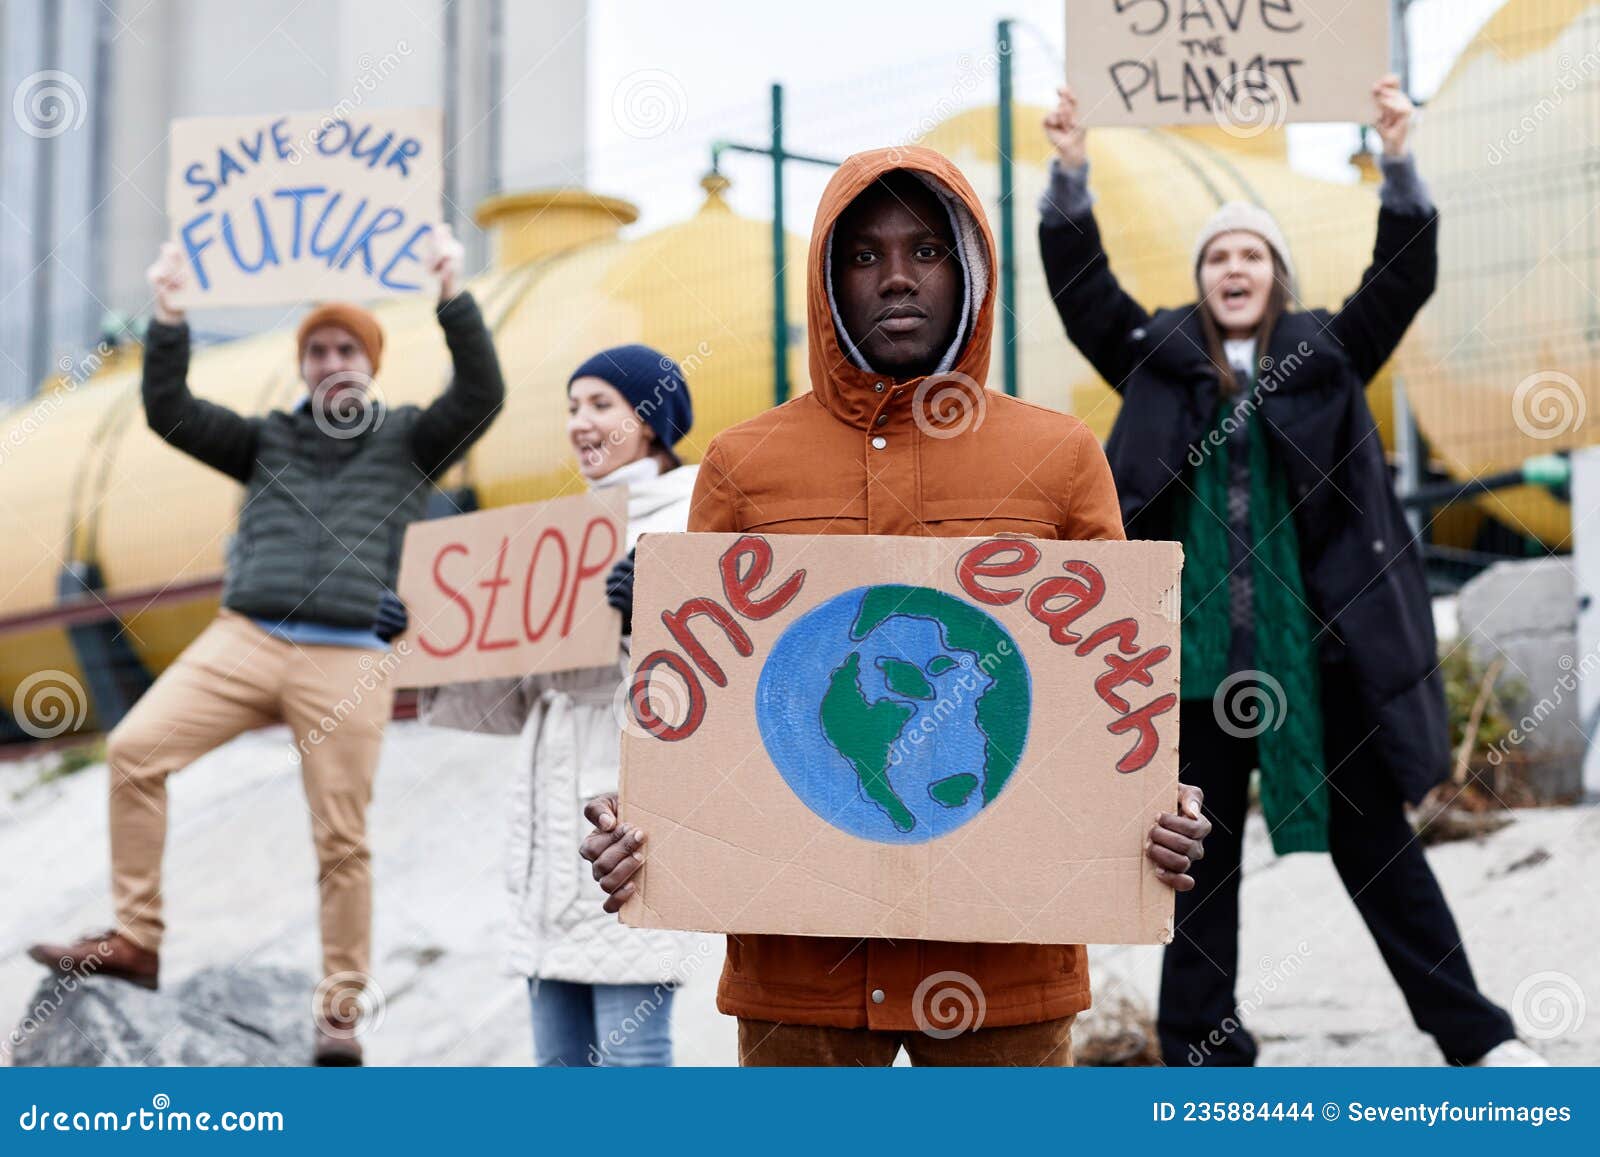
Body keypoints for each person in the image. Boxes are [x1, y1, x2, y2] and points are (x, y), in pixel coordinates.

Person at [580, 145, 1212, 1068]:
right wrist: (648, 816)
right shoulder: (744, 463)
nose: (898, 278)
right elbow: (691, 706)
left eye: (926, 251)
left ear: (970, 271)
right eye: (865, 256)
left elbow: (1113, 695)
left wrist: (1157, 800)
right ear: (828, 279)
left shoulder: (1061, 455)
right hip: (801, 972)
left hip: (1008, 967)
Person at [1037, 76, 1538, 1067]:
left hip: (1322, 663)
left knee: (1379, 852)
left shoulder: (1330, 354)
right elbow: (1081, 286)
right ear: (1199, 277)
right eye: (1218, 255)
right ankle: (1198, 1044)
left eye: (1252, 253)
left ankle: (1475, 1036)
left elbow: (1400, 273)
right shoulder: (1153, 356)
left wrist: (1396, 156)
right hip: (1191, 668)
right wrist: (1067, 171)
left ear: (1277, 276)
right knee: (1196, 860)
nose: (1234, 266)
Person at [29, 227, 505, 1066]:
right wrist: (168, 311)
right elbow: (168, 410)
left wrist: (449, 290)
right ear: (304, 365)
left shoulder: (409, 442)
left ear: (371, 363)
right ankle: (135, 938)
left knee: (341, 837)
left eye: (346, 348)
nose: (330, 361)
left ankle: (340, 1011)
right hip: (244, 640)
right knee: (136, 749)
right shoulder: (265, 441)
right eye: (316, 349)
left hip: (347, 655)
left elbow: (481, 395)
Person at [413, 344, 706, 1067]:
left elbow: (708, 695)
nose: (580, 422)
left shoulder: (695, 521)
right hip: (546, 837)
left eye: (601, 404)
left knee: (632, 1060)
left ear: (650, 419)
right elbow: (514, 704)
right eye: (572, 407)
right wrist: (425, 642)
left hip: (624, 827)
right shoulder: (560, 536)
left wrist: (647, 618)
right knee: (558, 1070)